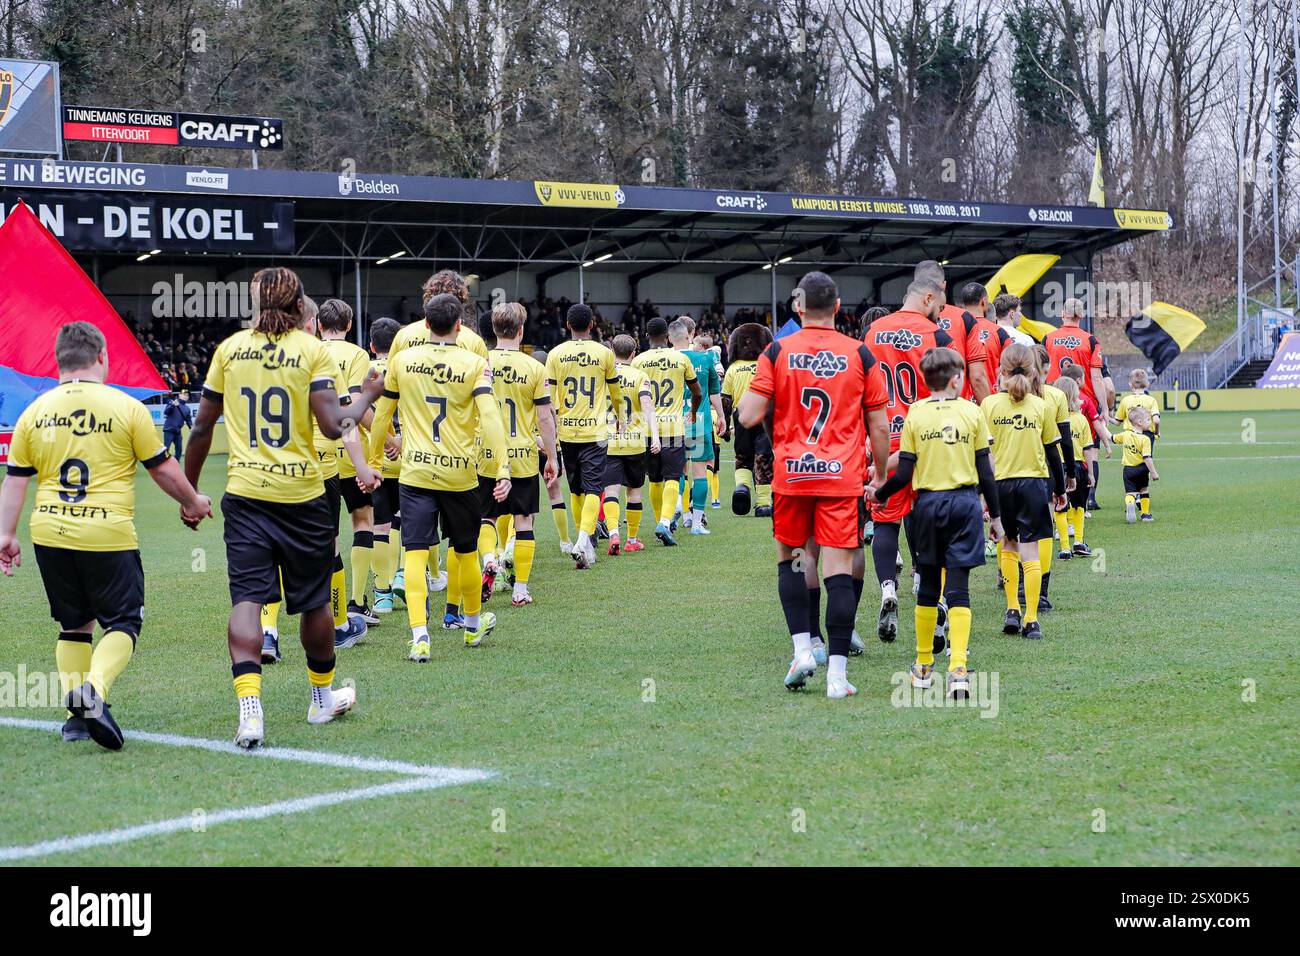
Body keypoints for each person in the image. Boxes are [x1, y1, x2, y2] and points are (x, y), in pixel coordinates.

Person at [185, 267, 384, 748]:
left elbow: (202, 427)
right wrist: (367, 398)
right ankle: (320, 700)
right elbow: (335, 425)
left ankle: (250, 712)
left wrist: (190, 493)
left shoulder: (230, 350)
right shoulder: (310, 350)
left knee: (248, 600)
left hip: (247, 495)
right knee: (314, 601)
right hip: (302, 496)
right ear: (300, 307)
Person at [0, 322, 212, 749]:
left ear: (58, 361)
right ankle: (93, 691)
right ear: (101, 357)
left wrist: (6, 535)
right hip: (106, 532)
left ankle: (75, 720)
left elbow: (16, 481)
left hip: (50, 533)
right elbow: (163, 468)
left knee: (74, 625)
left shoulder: (34, 413)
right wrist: (192, 501)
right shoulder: (125, 406)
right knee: (125, 621)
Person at [739, 271, 890, 699]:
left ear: (798, 307)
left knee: (795, 559)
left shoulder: (777, 350)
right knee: (838, 569)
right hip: (841, 478)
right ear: (838, 307)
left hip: (793, 474)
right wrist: (878, 475)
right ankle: (837, 677)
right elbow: (879, 425)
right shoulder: (859, 354)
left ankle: (804, 650)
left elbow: (749, 415)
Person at [366, 293, 509, 656]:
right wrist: (503, 467)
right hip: (461, 473)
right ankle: (472, 626)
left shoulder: (402, 360)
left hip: (416, 473)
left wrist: (373, 461)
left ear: (425, 324)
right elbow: (491, 417)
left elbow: (382, 415)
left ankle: (419, 638)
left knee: (414, 552)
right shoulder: (474, 363)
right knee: (464, 551)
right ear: (459, 325)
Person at [874, 347, 1000, 699]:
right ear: (957, 377)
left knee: (928, 586)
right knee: (958, 587)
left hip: (926, 505)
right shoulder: (972, 412)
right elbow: (985, 472)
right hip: (964, 504)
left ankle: (923, 668)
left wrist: (880, 493)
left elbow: (906, 472)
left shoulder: (915, 413)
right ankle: (959, 668)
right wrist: (998, 517)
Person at [861, 276, 955, 642]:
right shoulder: (936, 335)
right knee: (924, 518)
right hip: (925, 437)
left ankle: (887, 588)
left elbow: (862, 388)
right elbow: (950, 391)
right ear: (928, 297)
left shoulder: (872, 333)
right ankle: (922, 587)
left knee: (884, 522)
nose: (940, 312)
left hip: (884, 436)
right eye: (939, 305)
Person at [981, 344, 1067, 640]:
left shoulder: (989, 404)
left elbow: (983, 455)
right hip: (1033, 485)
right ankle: (1031, 621)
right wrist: (1062, 487)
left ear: (1001, 371)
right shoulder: (1041, 406)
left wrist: (984, 496)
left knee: (1008, 546)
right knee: (1030, 551)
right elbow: (1052, 452)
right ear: (1034, 371)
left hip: (1000, 486)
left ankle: (1012, 610)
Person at [317, 300, 382, 628]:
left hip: (320, 453)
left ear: (318, 325)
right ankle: (356, 602)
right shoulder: (357, 354)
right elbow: (357, 405)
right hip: (353, 452)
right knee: (363, 520)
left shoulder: (311, 351)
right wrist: (389, 439)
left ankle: (325, 605)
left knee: (327, 537)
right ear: (349, 323)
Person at [488, 302, 558, 605]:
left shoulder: (481, 362)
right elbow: (544, 417)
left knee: (485, 518)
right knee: (524, 521)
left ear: (493, 330)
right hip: (522, 455)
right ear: (521, 331)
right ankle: (520, 590)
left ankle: (490, 559)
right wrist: (552, 456)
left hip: (486, 454)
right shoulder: (534, 367)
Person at [546, 304, 623, 569]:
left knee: (576, 488)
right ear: (592, 325)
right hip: (595, 431)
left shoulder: (555, 354)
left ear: (567, 325)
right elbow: (615, 393)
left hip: (567, 431)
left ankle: (585, 542)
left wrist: (554, 425)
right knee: (593, 488)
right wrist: (622, 418)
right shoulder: (604, 353)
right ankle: (583, 540)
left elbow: (550, 397)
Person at [632, 317, 702, 546]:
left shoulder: (639, 361)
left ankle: (659, 520)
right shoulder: (680, 359)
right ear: (667, 336)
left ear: (647, 336)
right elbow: (697, 392)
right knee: (673, 476)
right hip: (673, 427)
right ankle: (664, 521)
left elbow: (633, 396)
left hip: (648, 428)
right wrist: (692, 411)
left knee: (654, 479)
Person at [366, 318, 408, 615]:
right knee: (408, 519)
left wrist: (384, 444)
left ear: (371, 345)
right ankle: (405, 575)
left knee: (379, 524)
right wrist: (400, 442)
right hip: (407, 456)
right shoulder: (407, 369)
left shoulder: (365, 372)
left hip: (376, 458)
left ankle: (382, 593)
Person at [603, 334, 659, 555]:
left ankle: (613, 533)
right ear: (633, 354)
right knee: (634, 492)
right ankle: (632, 539)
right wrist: (654, 436)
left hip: (608, 441)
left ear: (611, 353)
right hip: (635, 442)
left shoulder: (605, 374)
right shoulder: (639, 376)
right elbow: (647, 405)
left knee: (611, 491)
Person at [916, 260, 991, 403]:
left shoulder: (884, 326)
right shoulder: (965, 319)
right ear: (943, 285)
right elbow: (977, 378)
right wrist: (989, 416)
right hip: (954, 413)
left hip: (910, 416)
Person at [676, 321, 724, 535]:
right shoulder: (705, 358)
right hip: (698, 421)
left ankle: (680, 512)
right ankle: (696, 523)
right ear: (692, 334)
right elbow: (714, 392)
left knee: (677, 472)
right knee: (700, 472)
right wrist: (721, 416)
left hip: (673, 423)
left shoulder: (668, 360)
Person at [722, 322, 773, 516]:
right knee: (764, 458)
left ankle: (742, 487)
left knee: (743, 456)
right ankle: (763, 504)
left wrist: (725, 426)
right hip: (765, 416)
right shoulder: (767, 365)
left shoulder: (733, 368)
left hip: (741, 415)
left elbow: (726, 400)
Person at [1053, 376, 1095, 557]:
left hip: (1058, 468)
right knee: (1079, 506)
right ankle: (1078, 540)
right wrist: (1091, 474)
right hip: (1079, 467)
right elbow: (1088, 449)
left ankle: (1064, 548)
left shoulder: (1053, 421)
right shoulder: (1081, 420)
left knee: (1060, 507)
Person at [962, 282, 1009, 394]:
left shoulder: (955, 329)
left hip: (962, 402)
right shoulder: (999, 333)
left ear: (963, 304)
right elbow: (1009, 370)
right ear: (984, 301)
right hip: (992, 399)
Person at [1117, 405, 1159, 523]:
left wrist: (1102, 426)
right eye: (1147, 420)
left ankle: (1130, 502)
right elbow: (1147, 458)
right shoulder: (1145, 439)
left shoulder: (1125, 435)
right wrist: (1154, 472)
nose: (1150, 422)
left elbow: (1111, 437)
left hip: (1128, 470)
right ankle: (1145, 514)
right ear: (1140, 422)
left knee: (1130, 493)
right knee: (1144, 490)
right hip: (1142, 469)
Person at [1116, 368, 1160, 444]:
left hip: (1130, 435)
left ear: (1130, 384)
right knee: (1146, 455)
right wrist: (1156, 432)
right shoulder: (1151, 400)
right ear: (1147, 384)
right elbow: (1156, 420)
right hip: (1147, 435)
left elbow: (1117, 422)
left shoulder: (1125, 400)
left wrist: (1107, 417)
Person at [161, 391, 193, 459]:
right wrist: (172, 405)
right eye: (184, 394)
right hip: (169, 430)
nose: (186, 396)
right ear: (179, 395)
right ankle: (164, 465)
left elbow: (188, 420)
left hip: (177, 431)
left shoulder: (187, 408)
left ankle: (176, 464)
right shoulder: (171, 402)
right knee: (166, 449)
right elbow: (166, 412)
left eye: (187, 395)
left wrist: (191, 427)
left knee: (179, 450)